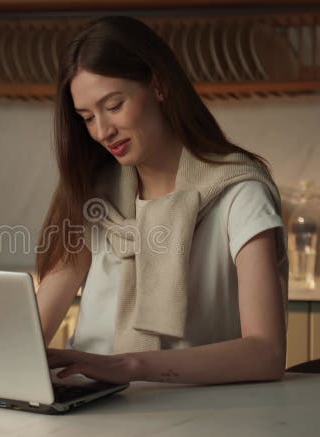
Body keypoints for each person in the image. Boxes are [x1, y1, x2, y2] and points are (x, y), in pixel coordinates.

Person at [35, 16, 288, 385]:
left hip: (199, 417)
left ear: (158, 85)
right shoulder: (94, 193)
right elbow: (35, 328)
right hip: (92, 412)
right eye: (87, 117)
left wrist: (130, 366)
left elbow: (265, 354)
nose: (102, 131)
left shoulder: (240, 192)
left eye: (114, 105)